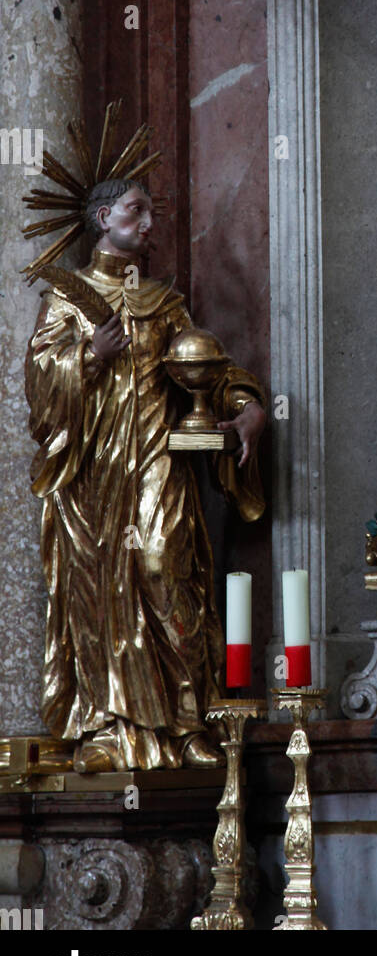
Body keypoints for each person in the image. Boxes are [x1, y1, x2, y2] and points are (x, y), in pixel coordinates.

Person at [26, 178, 267, 773]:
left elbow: (204, 366)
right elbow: (38, 383)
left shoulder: (164, 301)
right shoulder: (69, 296)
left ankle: (188, 722)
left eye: (151, 213)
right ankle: (108, 727)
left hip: (159, 461)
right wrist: (88, 356)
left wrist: (248, 405)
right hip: (92, 475)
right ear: (104, 217)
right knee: (103, 593)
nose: (148, 223)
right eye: (136, 211)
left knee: (165, 569)